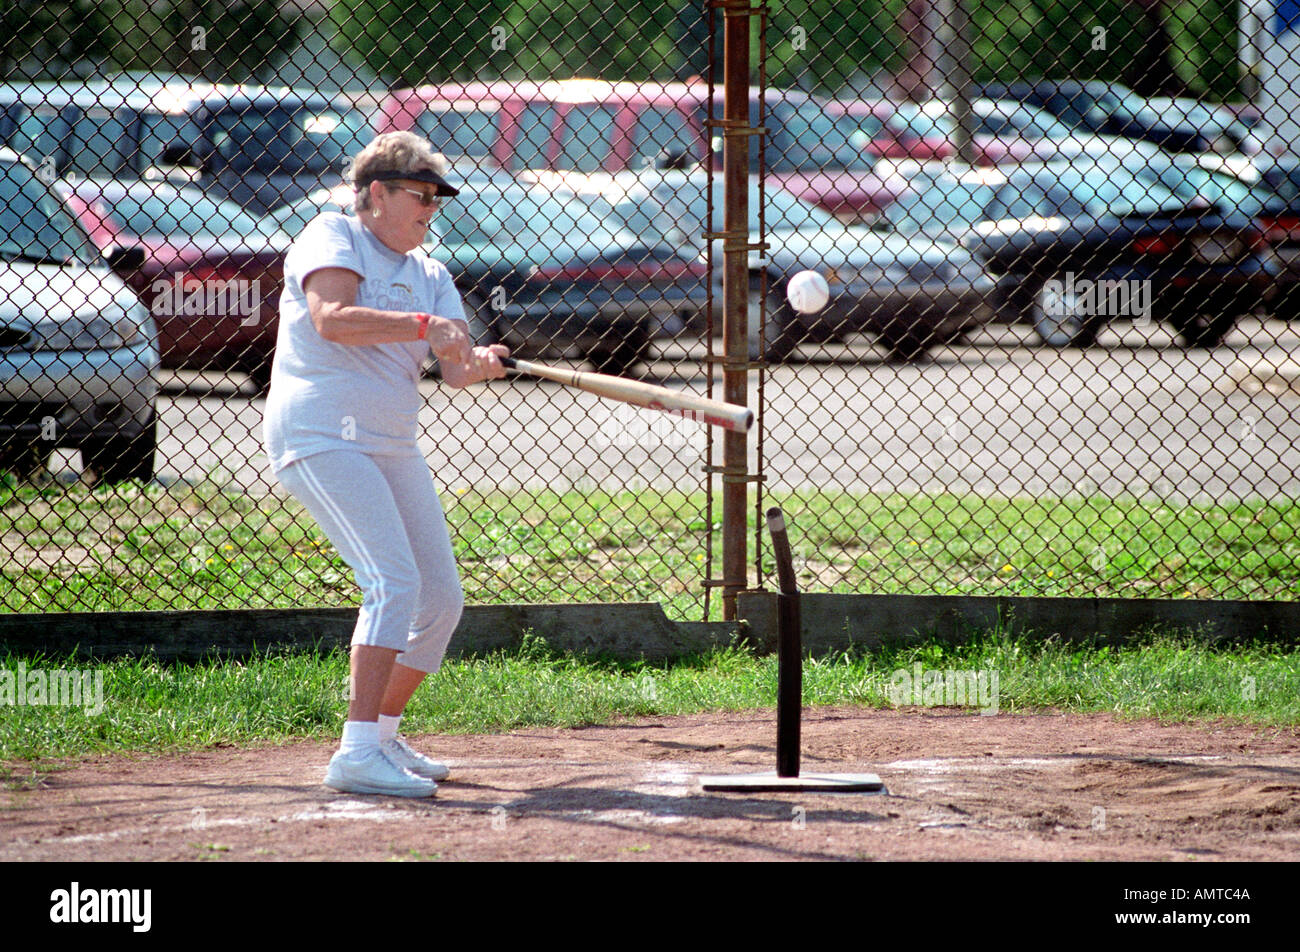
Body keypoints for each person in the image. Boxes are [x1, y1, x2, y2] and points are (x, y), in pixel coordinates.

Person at [262, 131, 508, 797]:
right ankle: (354, 752)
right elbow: (333, 319)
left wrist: (478, 364)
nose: (431, 208)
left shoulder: (430, 273)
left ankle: (382, 735)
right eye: (418, 194)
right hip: (320, 436)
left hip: (391, 444)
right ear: (375, 194)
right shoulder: (333, 235)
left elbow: (456, 370)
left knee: (440, 599)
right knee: (393, 583)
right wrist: (426, 327)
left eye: (437, 197)